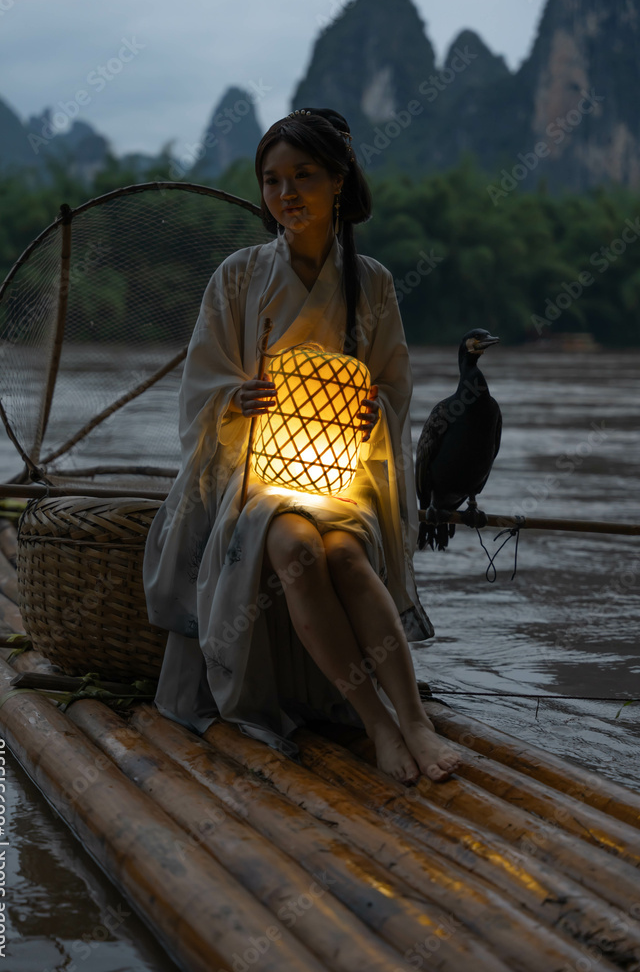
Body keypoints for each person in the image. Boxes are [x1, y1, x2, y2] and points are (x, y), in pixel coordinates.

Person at [143, 107, 460, 785]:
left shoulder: (369, 281)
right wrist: (234, 397)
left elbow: (394, 388)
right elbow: (200, 384)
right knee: (294, 545)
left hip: (341, 478)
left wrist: (375, 407)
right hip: (255, 474)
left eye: (303, 176)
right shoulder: (238, 276)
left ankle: (412, 720)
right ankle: (374, 724)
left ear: (339, 181)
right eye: (271, 180)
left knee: (344, 552)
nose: (286, 193)